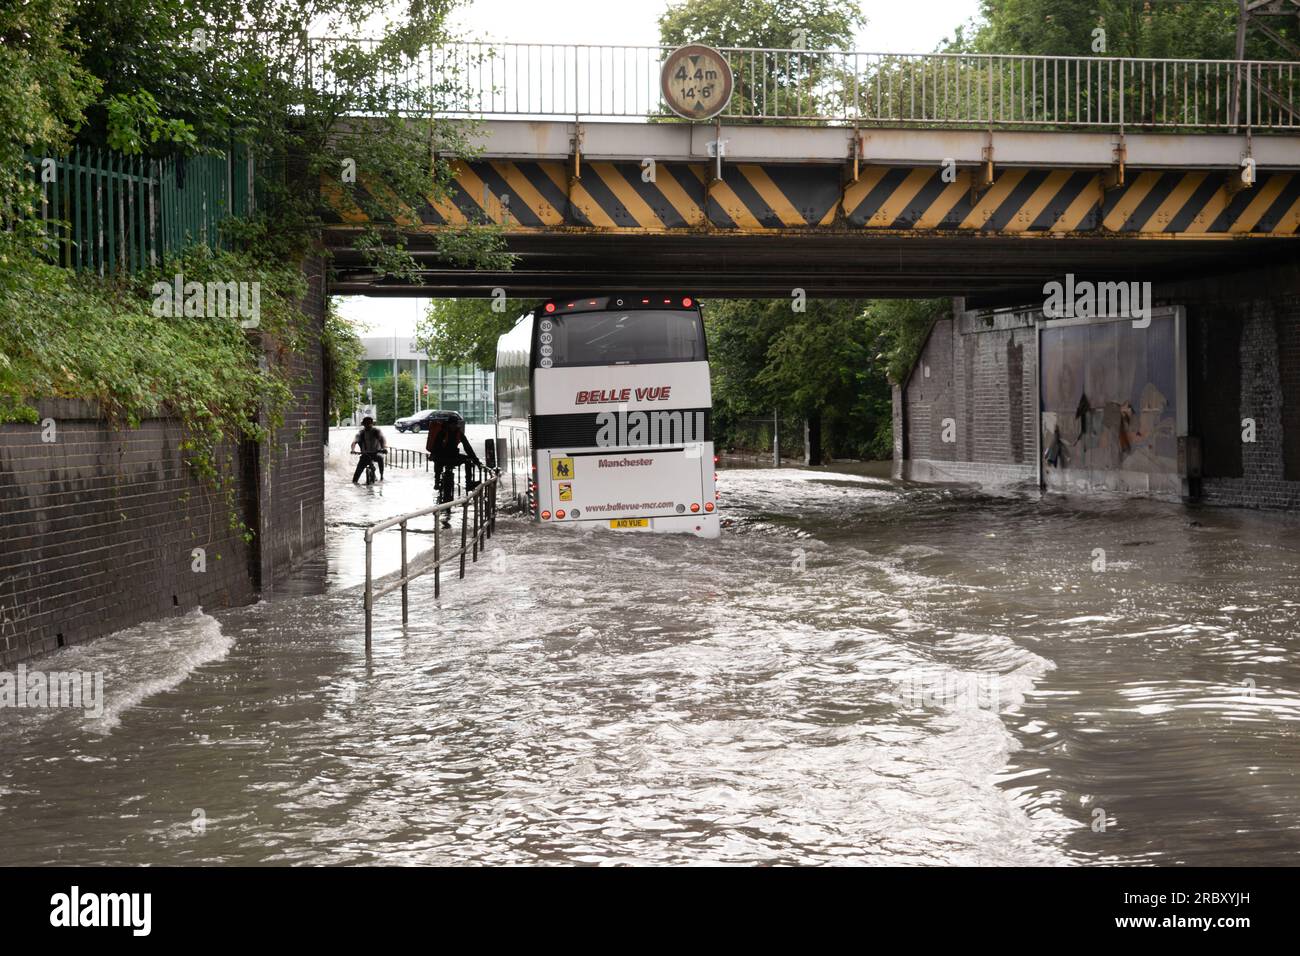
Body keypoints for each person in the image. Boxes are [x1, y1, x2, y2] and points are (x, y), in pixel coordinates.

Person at [425, 411, 482, 525]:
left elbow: (467, 447)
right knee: (438, 462)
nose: (454, 426)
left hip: (453, 456)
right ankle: (437, 482)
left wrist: (475, 460)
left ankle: (469, 483)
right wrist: (435, 456)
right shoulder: (442, 432)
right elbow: (436, 447)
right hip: (442, 455)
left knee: (468, 461)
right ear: (449, 424)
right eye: (453, 424)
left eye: (455, 425)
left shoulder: (459, 433)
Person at [350, 416, 388, 483]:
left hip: (376, 453)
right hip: (365, 454)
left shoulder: (376, 431)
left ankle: (381, 476)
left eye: (369, 423)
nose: (367, 425)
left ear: (372, 423)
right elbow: (354, 442)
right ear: (363, 424)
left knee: (380, 458)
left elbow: (382, 440)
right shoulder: (361, 433)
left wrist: (384, 448)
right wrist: (353, 450)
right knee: (355, 479)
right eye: (365, 424)